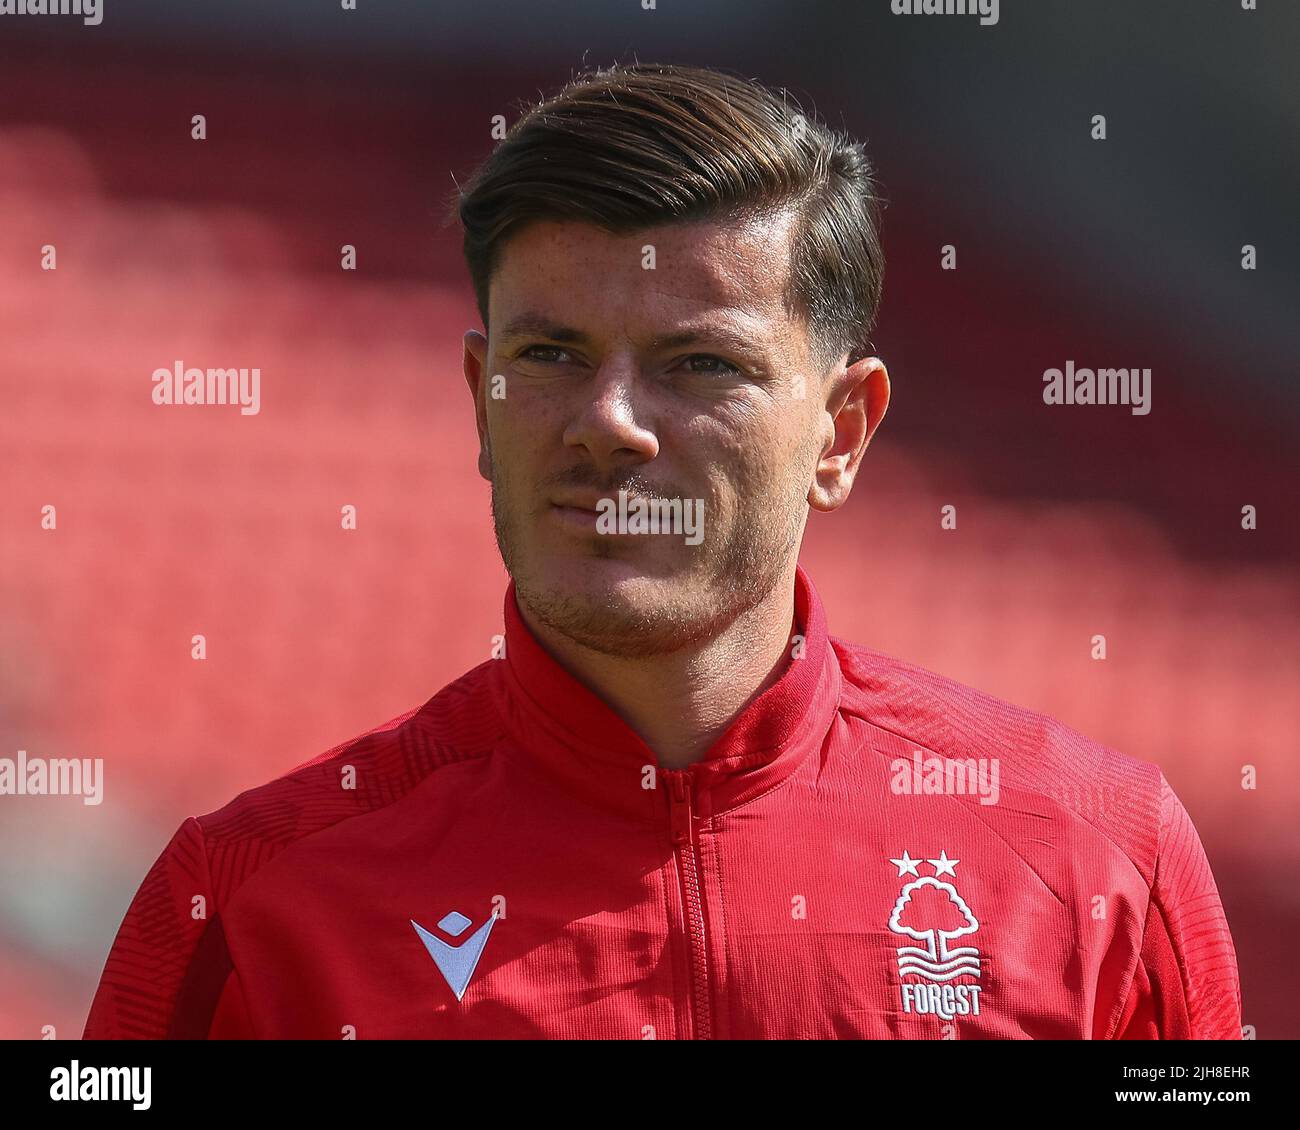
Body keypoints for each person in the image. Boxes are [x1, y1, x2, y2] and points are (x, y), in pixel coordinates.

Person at [83, 61, 1241, 1039]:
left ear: (841, 432)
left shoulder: (1099, 858)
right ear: (481, 405)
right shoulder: (252, 901)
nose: (609, 421)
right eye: (549, 356)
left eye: (700, 365)